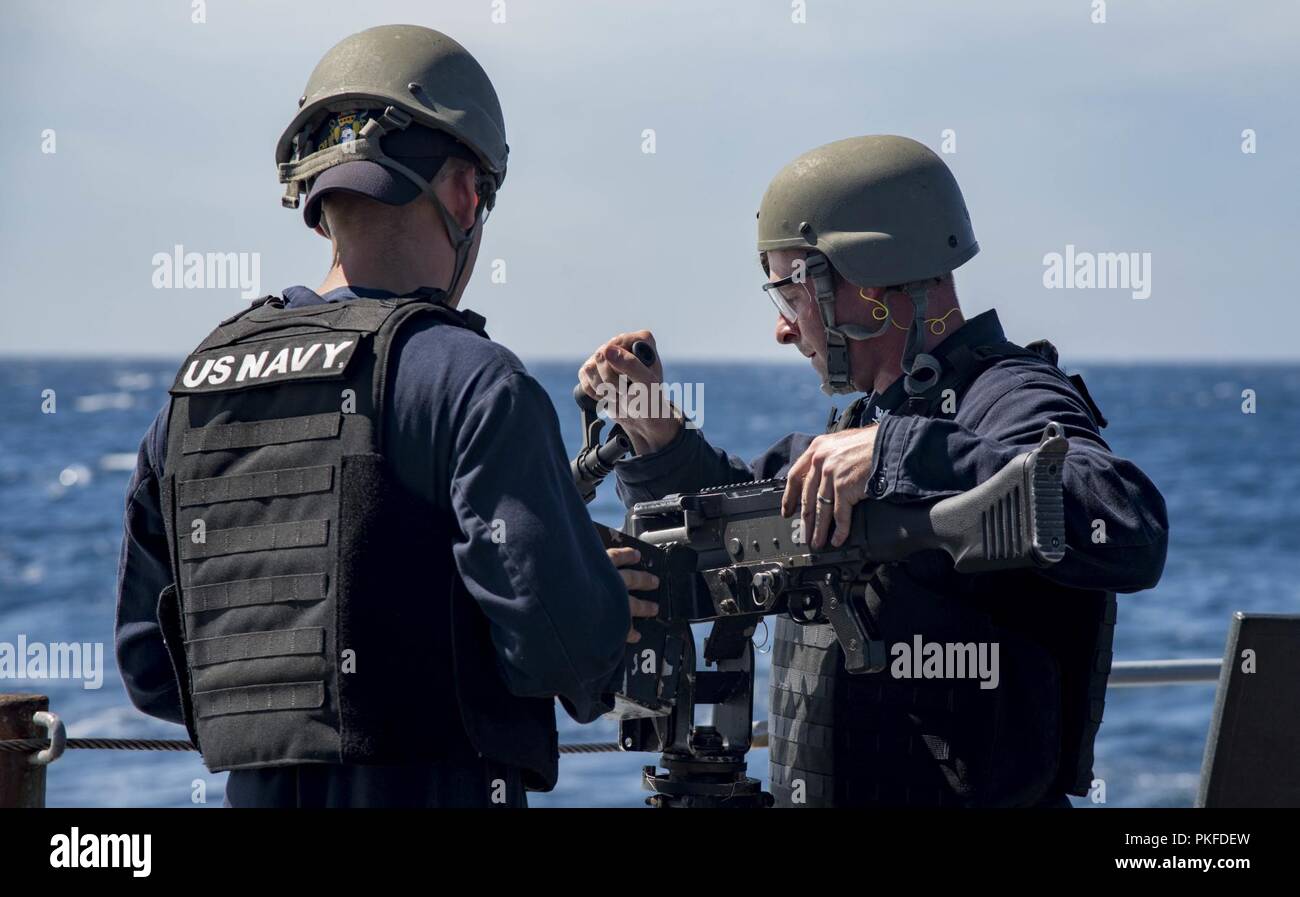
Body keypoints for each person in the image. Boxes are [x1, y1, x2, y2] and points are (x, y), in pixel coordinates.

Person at [115, 24, 645, 808]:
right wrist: (600, 593)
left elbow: (153, 671)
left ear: (320, 199)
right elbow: (566, 654)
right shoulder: (475, 383)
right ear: (466, 194)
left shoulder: (195, 391)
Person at [579, 135, 1169, 807]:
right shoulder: (857, 430)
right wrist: (657, 435)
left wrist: (899, 454)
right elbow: (730, 522)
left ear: (862, 280)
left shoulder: (1010, 396)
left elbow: (1129, 524)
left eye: (789, 291)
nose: (782, 329)